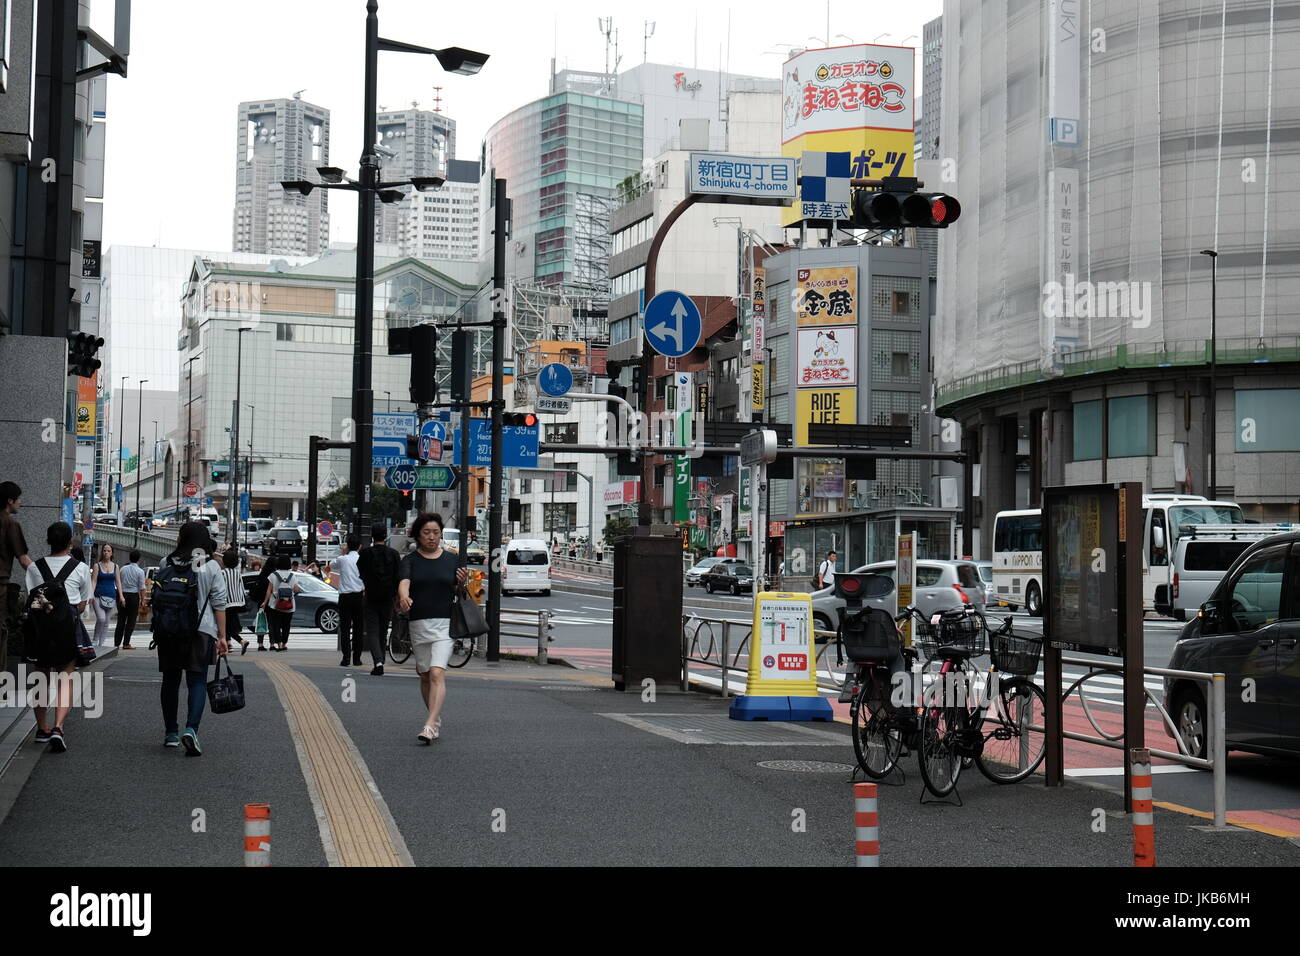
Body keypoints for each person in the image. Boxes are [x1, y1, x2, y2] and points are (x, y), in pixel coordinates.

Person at [151, 521, 228, 755]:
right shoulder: (211, 566)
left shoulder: (167, 563)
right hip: (201, 631)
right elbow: (219, 604)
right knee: (196, 682)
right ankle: (191, 730)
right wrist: (223, 637)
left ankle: (171, 733)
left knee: (170, 681)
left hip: (169, 631)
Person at [396, 513, 466, 743]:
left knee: (437, 672)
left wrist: (462, 583)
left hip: (445, 623)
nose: (432, 537)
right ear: (418, 534)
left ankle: (429, 724)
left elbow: (458, 591)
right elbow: (404, 583)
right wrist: (405, 598)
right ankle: (435, 719)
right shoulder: (410, 561)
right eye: (427, 532)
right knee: (425, 675)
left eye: (436, 532)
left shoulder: (451, 560)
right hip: (419, 623)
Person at [24, 522, 91, 752]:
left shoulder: (35, 568)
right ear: (69, 542)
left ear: (48, 541)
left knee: (41, 677)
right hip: (67, 629)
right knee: (66, 677)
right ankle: (58, 727)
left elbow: (33, 600)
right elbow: (81, 605)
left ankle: (42, 727)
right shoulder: (80, 568)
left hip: (40, 629)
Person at [358, 521, 400, 677]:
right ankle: (380, 660)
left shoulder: (365, 554)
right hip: (388, 597)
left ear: (372, 535)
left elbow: (361, 572)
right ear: (386, 534)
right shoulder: (394, 554)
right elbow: (398, 576)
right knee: (383, 631)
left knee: (373, 631)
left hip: (371, 596)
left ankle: (378, 662)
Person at [0, 481, 33, 672]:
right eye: (18, 499)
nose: (20, 503)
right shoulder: (10, 524)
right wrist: (43, 576)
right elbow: (23, 559)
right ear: (10, 501)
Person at [334, 534, 365, 667]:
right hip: (359, 596)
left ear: (347, 546)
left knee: (345, 628)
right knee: (359, 628)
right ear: (360, 546)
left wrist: (343, 553)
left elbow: (331, 565)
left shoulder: (342, 559)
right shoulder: (363, 559)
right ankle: (357, 658)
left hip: (345, 597)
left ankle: (346, 658)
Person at [261, 555, 300, 652]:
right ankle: (284, 644)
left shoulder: (273, 575)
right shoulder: (293, 575)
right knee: (286, 625)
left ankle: (278, 644)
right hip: (289, 605)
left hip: (275, 604)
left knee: (276, 625)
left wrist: (265, 602)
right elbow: (296, 589)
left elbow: (268, 591)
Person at [89, 543, 124, 647]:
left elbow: (118, 582)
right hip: (98, 596)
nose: (106, 553)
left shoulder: (116, 566)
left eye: (108, 551)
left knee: (106, 622)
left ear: (112, 553)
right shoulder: (97, 565)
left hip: (111, 596)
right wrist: (91, 594)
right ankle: (95, 640)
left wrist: (121, 596)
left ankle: (101, 643)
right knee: (101, 619)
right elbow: (94, 581)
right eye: (104, 550)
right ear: (102, 552)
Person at [114, 549, 146, 650]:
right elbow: (142, 587)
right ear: (138, 559)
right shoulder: (140, 571)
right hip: (133, 597)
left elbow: (119, 582)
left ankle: (116, 644)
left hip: (122, 595)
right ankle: (126, 643)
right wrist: (143, 600)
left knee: (121, 621)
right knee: (131, 621)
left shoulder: (123, 568)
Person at [220, 549, 250, 654]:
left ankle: (241, 641)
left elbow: (220, 588)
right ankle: (229, 644)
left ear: (224, 561)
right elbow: (241, 588)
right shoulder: (237, 573)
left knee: (225, 626)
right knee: (229, 624)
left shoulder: (222, 573)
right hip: (238, 602)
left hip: (226, 603)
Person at [247, 558, 275, 650]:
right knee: (272, 623)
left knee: (261, 622)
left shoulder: (262, 574)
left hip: (260, 601)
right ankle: (272, 644)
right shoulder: (273, 575)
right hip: (271, 601)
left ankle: (260, 644)